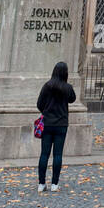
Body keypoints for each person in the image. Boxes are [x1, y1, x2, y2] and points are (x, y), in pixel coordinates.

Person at [36, 61, 76, 193]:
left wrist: (46, 112)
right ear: (65, 73)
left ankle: (41, 184)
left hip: (47, 123)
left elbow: (39, 104)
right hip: (61, 124)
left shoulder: (47, 86)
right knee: (58, 154)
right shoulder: (67, 88)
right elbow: (72, 99)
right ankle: (54, 184)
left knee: (44, 154)